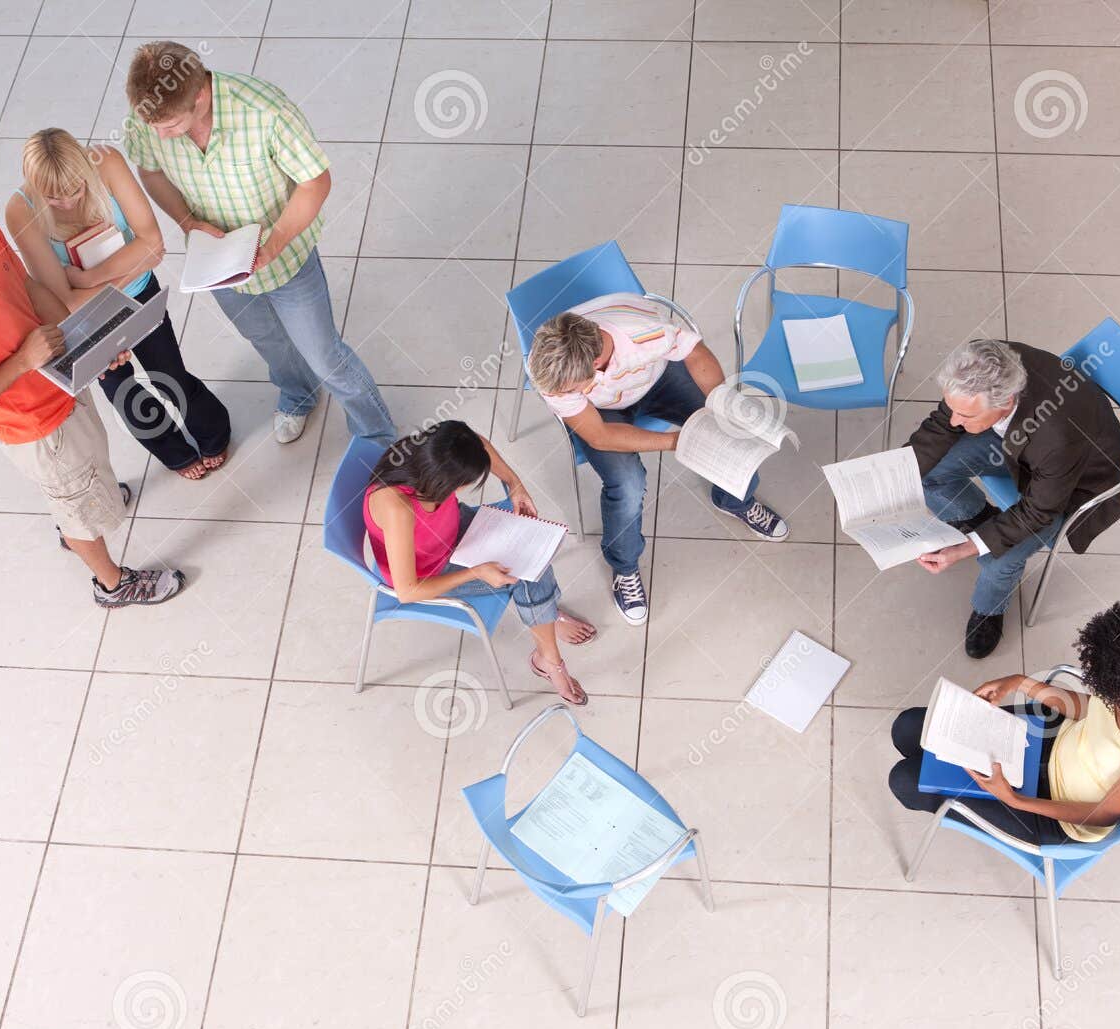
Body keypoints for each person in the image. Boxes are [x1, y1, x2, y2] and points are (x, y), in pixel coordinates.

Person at [0, 172, 185, 608]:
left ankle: (86, 500)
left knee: (85, 473)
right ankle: (111, 583)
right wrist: (23, 362)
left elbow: (27, 287)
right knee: (76, 501)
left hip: (61, 379)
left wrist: (85, 344)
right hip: (36, 423)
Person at [120, 40, 395, 448]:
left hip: (285, 258)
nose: (158, 135)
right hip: (218, 267)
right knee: (265, 338)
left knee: (324, 355)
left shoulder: (267, 112)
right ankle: (298, 394)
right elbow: (152, 171)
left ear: (200, 97)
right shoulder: (149, 115)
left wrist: (277, 241)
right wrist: (188, 221)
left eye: (170, 126)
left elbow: (315, 181)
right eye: (154, 127)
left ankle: (379, 436)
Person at [527, 296, 789, 626]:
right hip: (603, 411)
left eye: (572, 388)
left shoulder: (644, 334)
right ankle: (624, 567)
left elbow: (696, 353)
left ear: (594, 365)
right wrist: (677, 441)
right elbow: (600, 436)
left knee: (730, 432)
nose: (564, 392)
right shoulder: (553, 373)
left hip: (657, 378)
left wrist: (722, 409)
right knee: (627, 483)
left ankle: (734, 499)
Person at [6, 127, 231, 480]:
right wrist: (128, 265)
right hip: (88, 319)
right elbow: (64, 302)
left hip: (139, 296)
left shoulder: (107, 163)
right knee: (123, 392)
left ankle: (214, 433)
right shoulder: (21, 211)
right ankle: (175, 453)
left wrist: (87, 279)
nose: (68, 203)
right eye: (53, 198)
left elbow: (154, 246)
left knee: (169, 373)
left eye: (76, 190)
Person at [886, 597, 1120, 845]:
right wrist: (1020, 683)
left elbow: (1101, 815)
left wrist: (1014, 800)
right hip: (1049, 746)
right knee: (910, 727)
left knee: (906, 780)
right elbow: (1090, 711)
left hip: (1055, 816)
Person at [908, 339, 1120, 659]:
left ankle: (989, 609)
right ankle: (985, 525)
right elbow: (942, 424)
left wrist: (967, 548)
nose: (954, 422)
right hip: (1019, 445)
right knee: (929, 477)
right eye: (952, 407)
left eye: (965, 415)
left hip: (1071, 483)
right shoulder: (982, 365)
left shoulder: (1057, 439)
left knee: (999, 560)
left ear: (1005, 401)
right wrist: (895, 478)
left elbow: (1038, 511)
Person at [363, 421, 597, 705]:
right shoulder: (397, 507)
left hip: (454, 529)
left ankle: (544, 617)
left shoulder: (431, 450)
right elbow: (409, 591)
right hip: (431, 571)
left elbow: (479, 443)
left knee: (531, 547)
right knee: (528, 572)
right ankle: (549, 659)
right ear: (443, 481)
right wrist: (476, 572)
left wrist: (515, 485)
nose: (465, 487)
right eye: (463, 484)